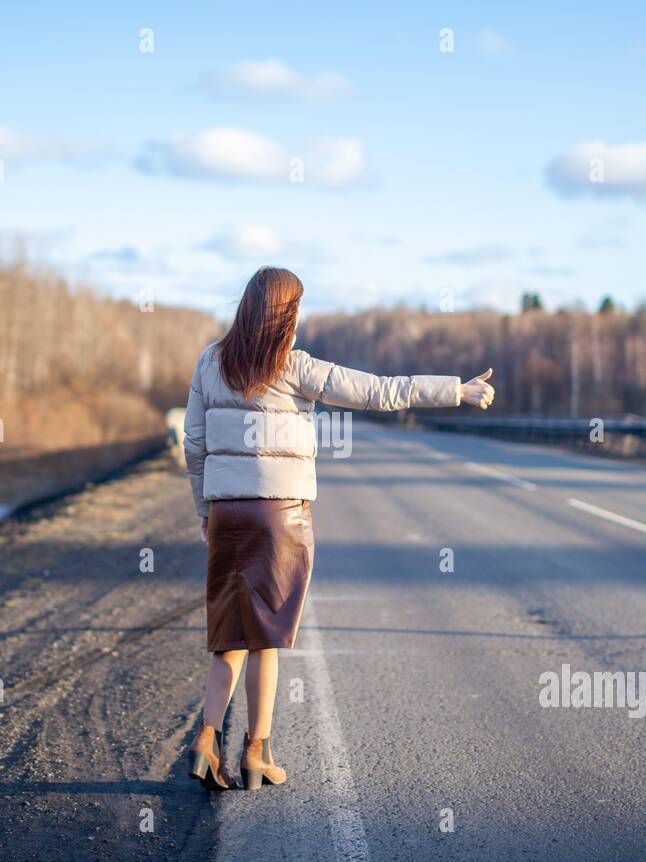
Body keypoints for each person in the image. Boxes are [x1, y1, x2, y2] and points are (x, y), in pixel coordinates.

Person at [182, 266, 495, 791]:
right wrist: (454, 391)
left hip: (228, 513)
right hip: (279, 515)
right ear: (286, 314)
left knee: (228, 635)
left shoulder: (209, 362)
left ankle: (206, 739)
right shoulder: (294, 366)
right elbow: (377, 391)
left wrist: (206, 512)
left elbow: (194, 445)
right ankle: (256, 753)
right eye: (297, 308)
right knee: (265, 639)